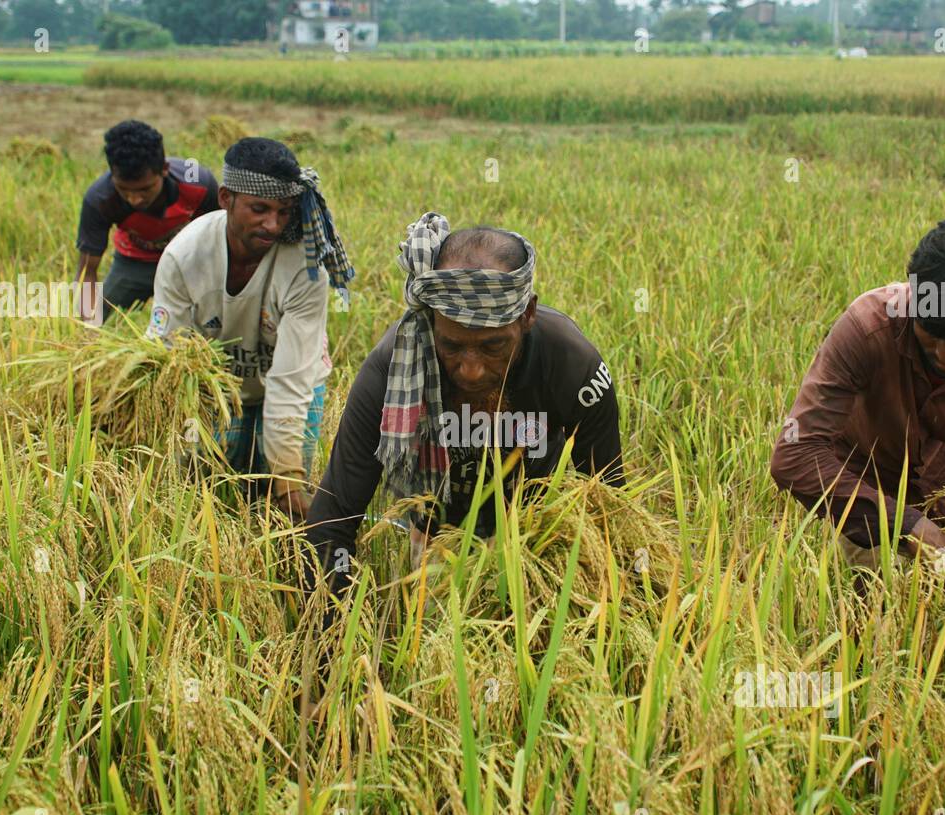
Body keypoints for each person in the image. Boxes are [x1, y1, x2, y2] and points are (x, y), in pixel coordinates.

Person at [304, 212, 624, 591]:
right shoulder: (393, 368)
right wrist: (329, 629)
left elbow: (609, 507)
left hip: (534, 536)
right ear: (432, 322)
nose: (470, 371)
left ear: (528, 314)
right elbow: (334, 518)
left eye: (493, 346)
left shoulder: (573, 365)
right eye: (452, 346)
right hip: (433, 537)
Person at [769, 213, 945, 569]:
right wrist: (907, 526)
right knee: (868, 598)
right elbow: (794, 454)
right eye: (931, 332)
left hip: (944, 485)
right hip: (864, 484)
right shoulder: (865, 330)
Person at [148, 137, 354, 519]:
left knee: (281, 505)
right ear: (226, 199)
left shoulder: (306, 270)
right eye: (259, 209)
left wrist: (286, 475)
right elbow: (171, 360)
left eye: (284, 211)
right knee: (204, 490)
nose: (272, 225)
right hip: (218, 388)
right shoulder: (184, 257)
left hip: (295, 387)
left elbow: (290, 381)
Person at [74, 120, 219, 322]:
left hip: (190, 262)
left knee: (213, 322)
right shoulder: (100, 199)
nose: (134, 199)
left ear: (165, 169)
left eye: (145, 189)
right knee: (102, 317)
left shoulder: (197, 181)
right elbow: (87, 271)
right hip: (135, 261)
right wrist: (88, 328)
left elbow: (222, 240)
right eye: (124, 189)